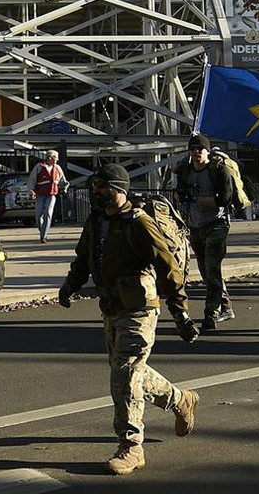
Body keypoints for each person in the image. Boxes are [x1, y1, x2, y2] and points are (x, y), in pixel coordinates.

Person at [58, 165, 201, 476]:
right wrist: (70, 284)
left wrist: (181, 313)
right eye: (94, 185)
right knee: (130, 372)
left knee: (124, 375)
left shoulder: (138, 223)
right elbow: (84, 257)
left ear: (118, 189)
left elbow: (168, 268)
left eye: (101, 186)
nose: (95, 191)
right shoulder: (97, 220)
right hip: (111, 307)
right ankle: (181, 400)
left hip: (139, 310)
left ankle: (131, 446)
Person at [171, 136, 251, 331]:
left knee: (212, 268)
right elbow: (178, 193)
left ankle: (210, 314)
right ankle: (226, 306)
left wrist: (199, 200)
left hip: (217, 224)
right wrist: (182, 196)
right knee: (207, 272)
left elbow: (225, 199)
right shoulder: (185, 171)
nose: (197, 152)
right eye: (193, 149)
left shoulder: (218, 170)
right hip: (195, 226)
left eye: (200, 148)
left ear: (207, 151)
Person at [30, 150, 67, 241]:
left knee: (48, 213)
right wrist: (31, 190)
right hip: (40, 194)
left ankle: (43, 236)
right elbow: (32, 179)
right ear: (49, 158)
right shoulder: (39, 167)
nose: (56, 161)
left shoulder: (57, 168)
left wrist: (65, 188)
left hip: (52, 194)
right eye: (55, 158)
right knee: (38, 214)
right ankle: (42, 230)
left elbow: (63, 181)